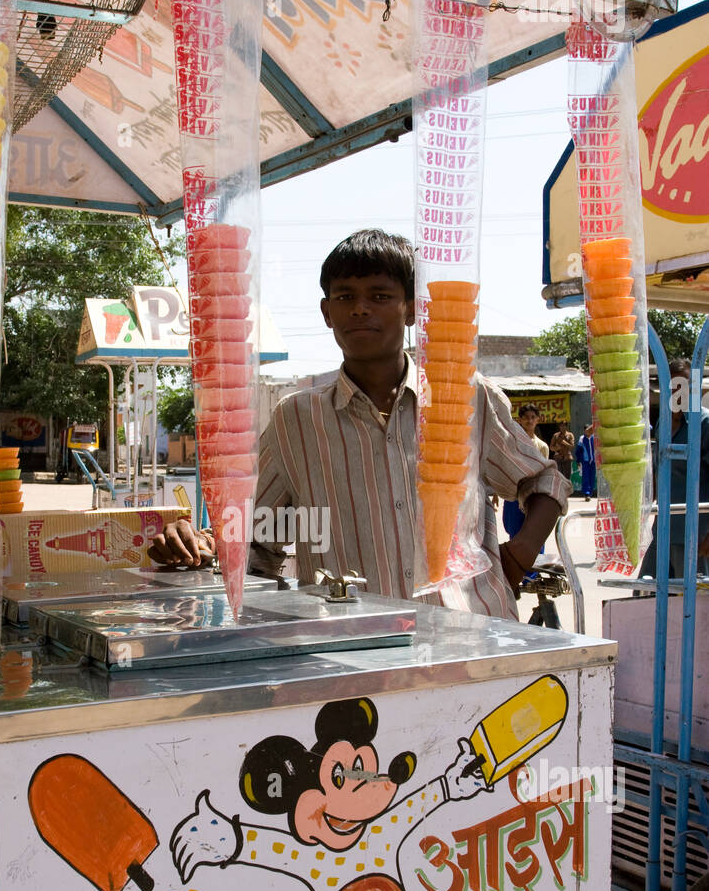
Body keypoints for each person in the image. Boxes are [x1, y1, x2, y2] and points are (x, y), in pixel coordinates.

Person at [150, 230, 569, 619]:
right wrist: (197, 544)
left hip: (472, 632)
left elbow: (544, 481)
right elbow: (256, 534)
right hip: (355, 650)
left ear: (411, 310)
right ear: (327, 312)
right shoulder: (297, 420)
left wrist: (522, 552)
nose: (360, 308)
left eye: (380, 295)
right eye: (345, 296)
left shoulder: (463, 396)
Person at [639, 358, 709, 579]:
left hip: (695, 535)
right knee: (646, 592)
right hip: (663, 531)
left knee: (692, 602)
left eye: (684, 384)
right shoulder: (663, 423)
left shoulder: (704, 423)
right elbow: (659, 468)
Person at [502, 404, 548, 543]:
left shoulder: (542, 446)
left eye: (533, 417)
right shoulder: (511, 442)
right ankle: (517, 563)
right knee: (515, 533)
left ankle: (537, 563)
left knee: (535, 533)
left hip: (533, 495)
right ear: (519, 420)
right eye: (526, 418)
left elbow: (543, 473)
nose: (530, 421)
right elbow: (506, 466)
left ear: (538, 420)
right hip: (514, 493)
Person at [575, 423, 596, 500]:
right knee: (586, 477)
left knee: (592, 477)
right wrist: (578, 461)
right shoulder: (582, 438)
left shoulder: (594, 437)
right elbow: (578, 451)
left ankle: (590, 493)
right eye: (586, 430)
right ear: (584, 431)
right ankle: (586, 493)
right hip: (585, 461)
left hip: (593, 461)